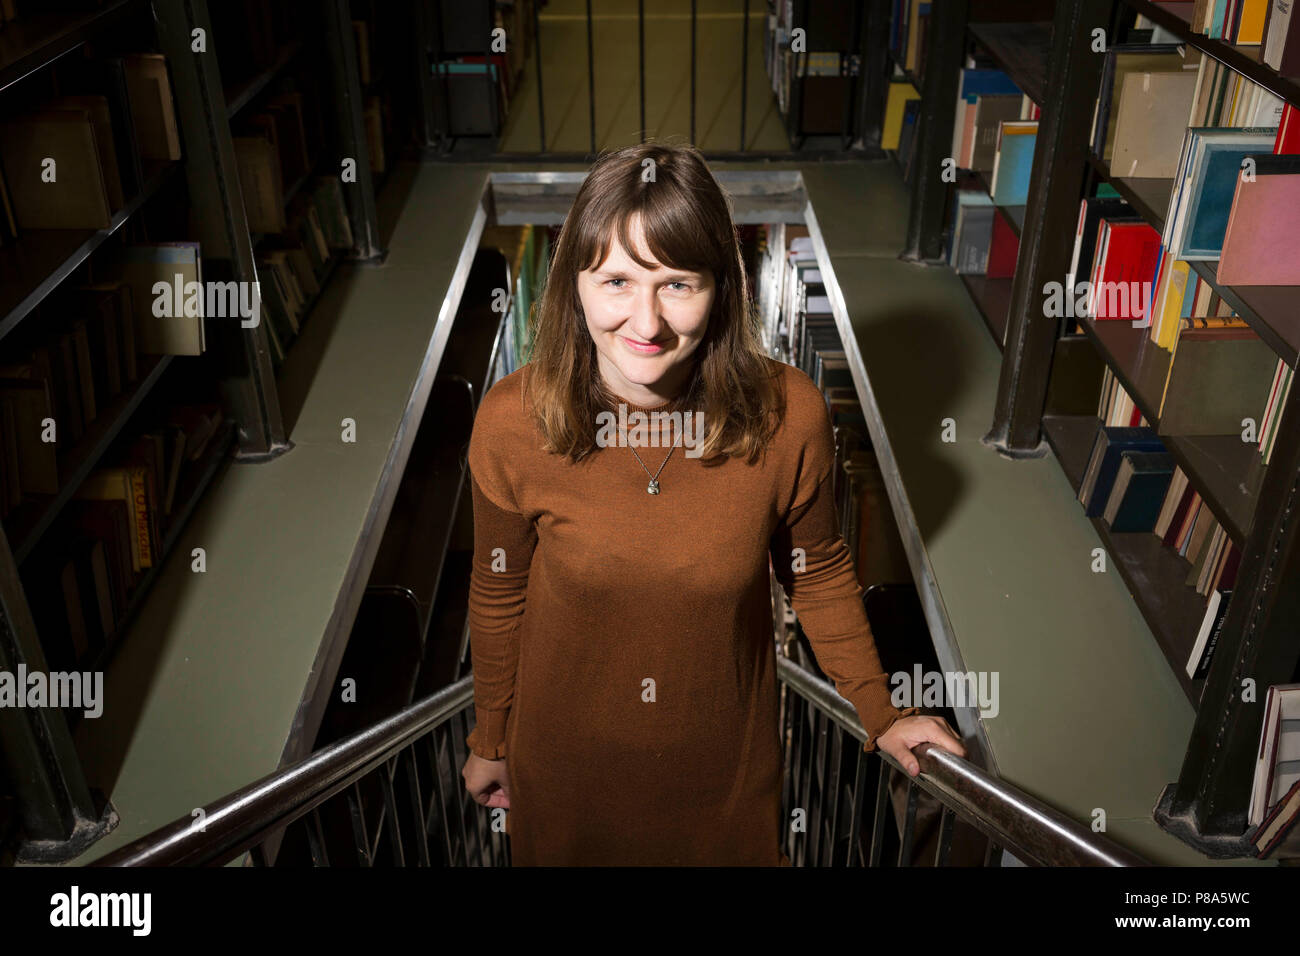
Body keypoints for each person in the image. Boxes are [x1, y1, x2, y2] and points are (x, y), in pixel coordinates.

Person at [460, 141, 965, 865]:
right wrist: (493, 738)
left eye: (678, 284)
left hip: (724, 787)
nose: (646, 322)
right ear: (574, 284)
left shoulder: (788, 413)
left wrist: (879, 710)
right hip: (565, 777)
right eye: (616, 282)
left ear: (722, 288)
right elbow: (499, 587)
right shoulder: (510, 421)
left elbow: (816, 571)